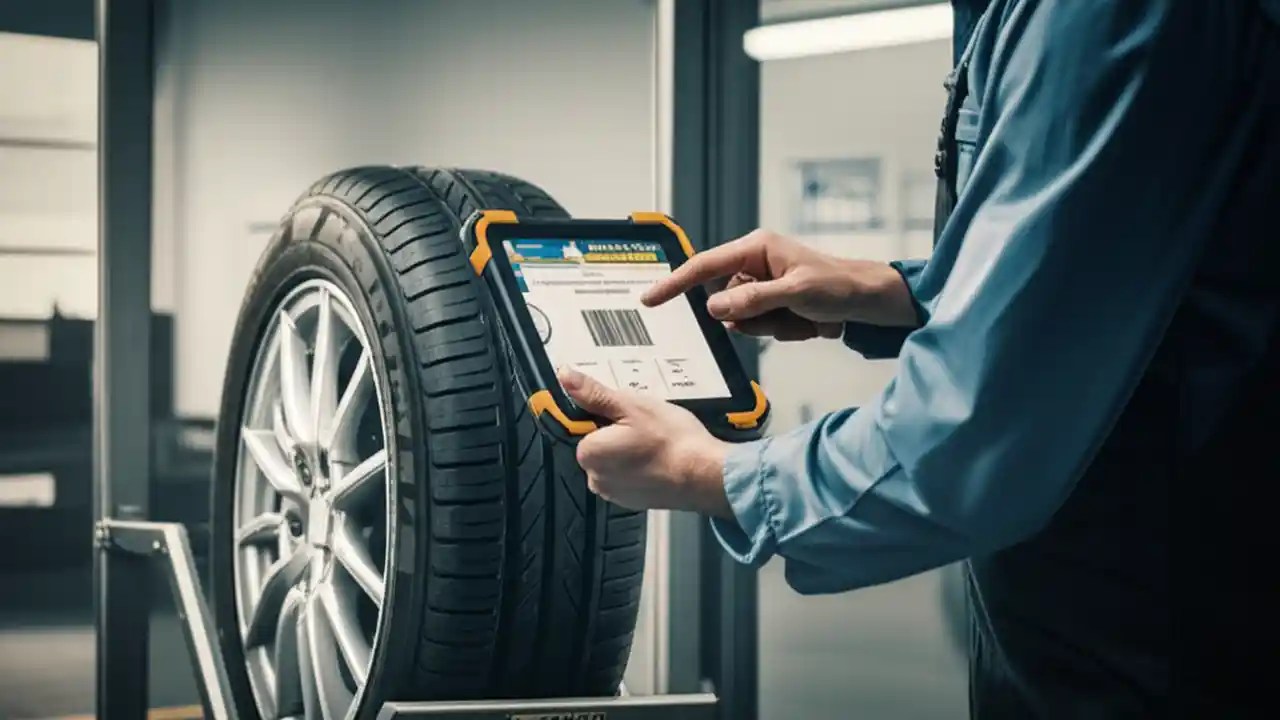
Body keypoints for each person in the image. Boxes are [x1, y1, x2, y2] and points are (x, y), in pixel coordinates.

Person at [554, 1, 1280, 717]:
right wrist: (898, 292)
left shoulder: (1104, 14)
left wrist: (707, 471)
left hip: (1164, 664)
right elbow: (1120, 270)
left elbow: (976, 434)